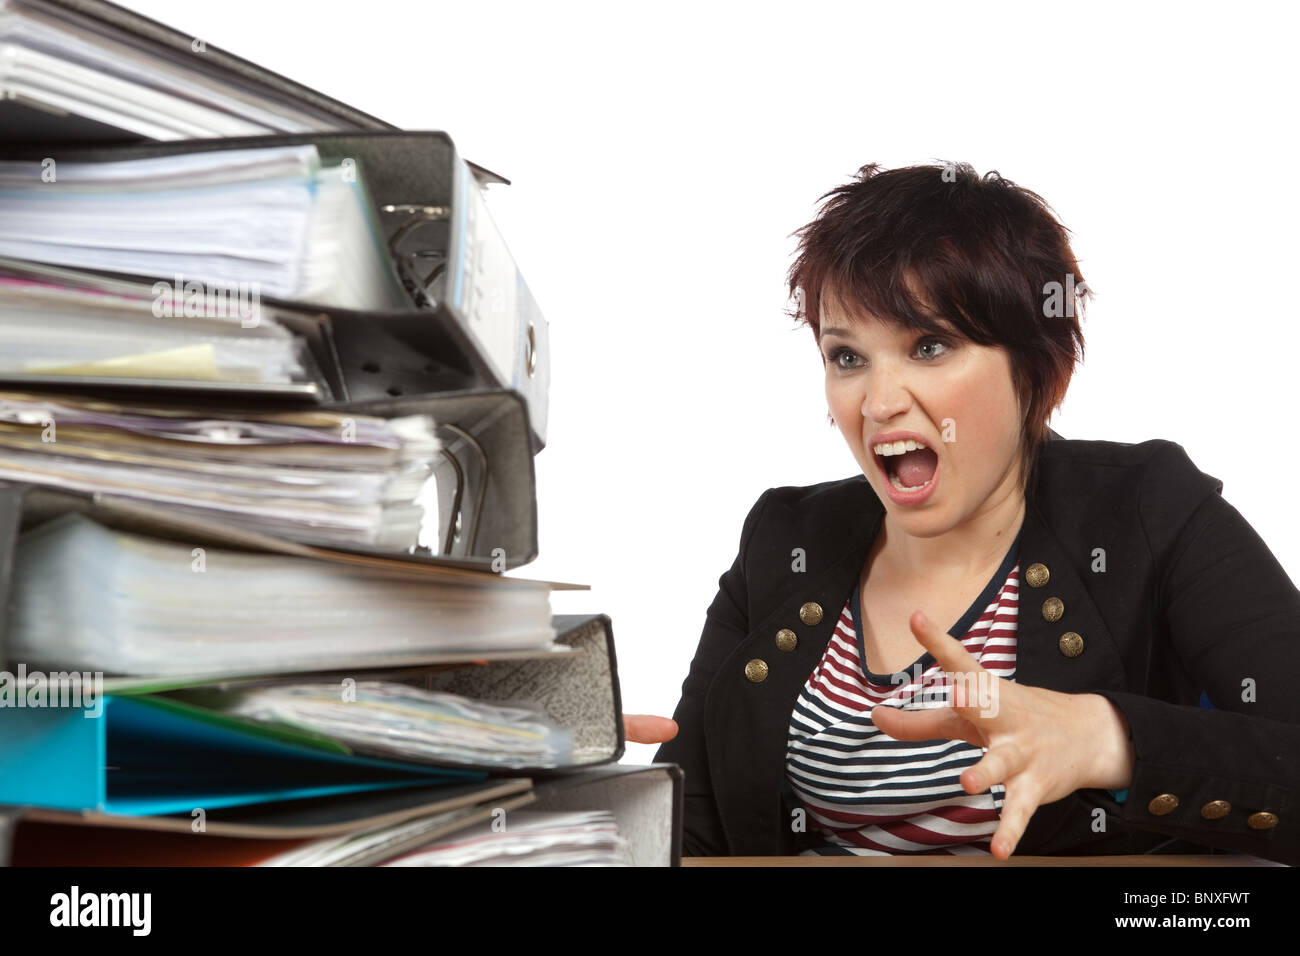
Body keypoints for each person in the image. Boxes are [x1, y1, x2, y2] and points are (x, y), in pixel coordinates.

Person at [625, 161, 1300, 864]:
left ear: (1039, 370)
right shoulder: (782, 540)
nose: (879, 402)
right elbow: (689, 840)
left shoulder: (1147, 509)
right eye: (847, 356)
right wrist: (554, 793)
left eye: (930, 345)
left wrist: (1107, 736)